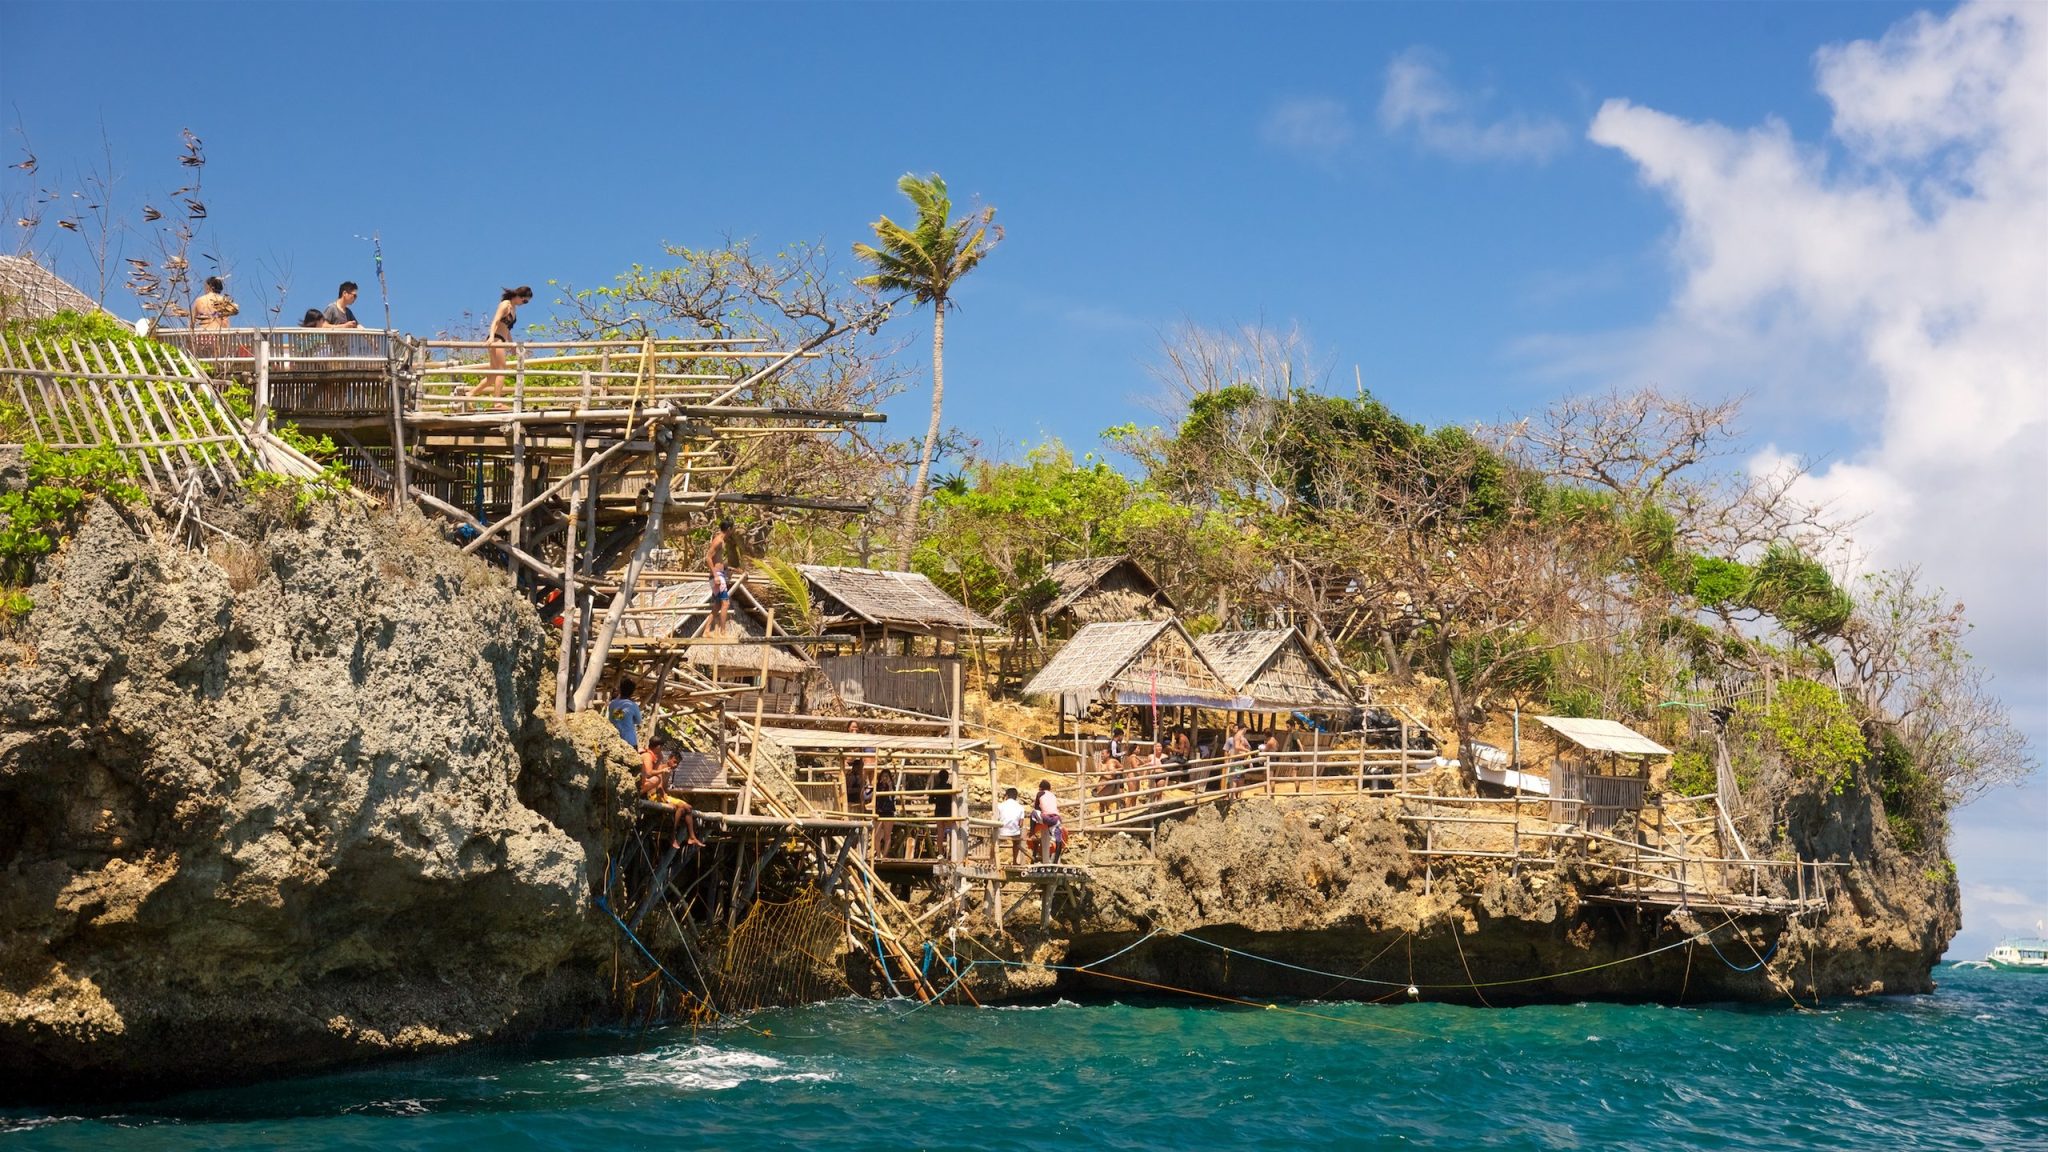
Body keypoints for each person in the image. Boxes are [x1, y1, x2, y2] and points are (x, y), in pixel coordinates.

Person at [638, 735, 703, 849]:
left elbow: (665, 788)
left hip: (663, 794)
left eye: (677, 763)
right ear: (669, 759)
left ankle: (691, 837)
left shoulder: (668, 770)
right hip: (655, 795)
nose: (675, 765)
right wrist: (667, 799)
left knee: (688, 807)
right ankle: (673, 835)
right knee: (680, 808)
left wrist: (667, 796)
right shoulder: (661, 767)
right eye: (674, 762)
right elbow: (659, 788)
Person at [477, 285, 532, 397]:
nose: (524, 303)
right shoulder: (505, 305)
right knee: (502, 370)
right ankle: (497, 402)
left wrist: (511, 345)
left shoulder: (513, 308)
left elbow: (507, 329)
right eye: (525, 301)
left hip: (502, 339)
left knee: (492, 376)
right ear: (519, 296)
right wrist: (491, 337)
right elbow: (495, 322)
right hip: (496, 339)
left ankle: (469, 394)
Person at [704, 519, 739, 634]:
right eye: (732, 529)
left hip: (718, 574)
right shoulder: (718, 541)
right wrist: (716, 575)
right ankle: (723, 632)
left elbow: (717, 561)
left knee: (718, 604)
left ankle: (707, 630)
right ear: (729, 529)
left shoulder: (721, 541)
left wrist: (730, 569)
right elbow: (708, 557)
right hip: (716, 576)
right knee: (725, 603)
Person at [1031, 779, 1063, 864]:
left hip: (1046, 818)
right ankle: (1055, 861)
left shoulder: (1040, 794)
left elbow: (1037, 807)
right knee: (1058, 840)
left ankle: (1032, 833)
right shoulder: (1053, 795)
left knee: (1033, 813)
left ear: (1041, 788)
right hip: (1056, 819)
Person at [995, 786, 1027, 867]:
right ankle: (1015, 861)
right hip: (1014, 832)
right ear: (1016, 797)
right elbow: (1021, 823)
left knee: (993, 841)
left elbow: (996, 819)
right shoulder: (1020, 807)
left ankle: (993, 860)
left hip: (1001, 831)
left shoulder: (1000, 805)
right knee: (1016, 843)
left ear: (1006, 796)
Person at [843, 721, 869, 813]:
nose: (855, 729)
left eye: (856, 727)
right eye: (853, 727)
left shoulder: (859, 740)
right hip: (848, 765)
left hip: (856, 765)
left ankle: (862, 806)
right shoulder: (844, 739)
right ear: (848, 729)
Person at [606, 680, 642, 747]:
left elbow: (616, 718)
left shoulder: (612, 704)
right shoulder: (632, 705)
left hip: (615, 740)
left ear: (620, 689)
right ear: (633, 692)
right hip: (630, 741)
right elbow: (638, 721)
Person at [873, 766, 898, 858]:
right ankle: (878, 854)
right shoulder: (878, 786)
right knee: (876, 835)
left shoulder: (892, 787)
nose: (884, 778)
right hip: (879, 811)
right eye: (883, 776)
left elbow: (891, 797)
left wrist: (889, 785)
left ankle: (885, 855)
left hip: (888, 811)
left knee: (887, 835)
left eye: (886, 776)